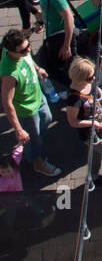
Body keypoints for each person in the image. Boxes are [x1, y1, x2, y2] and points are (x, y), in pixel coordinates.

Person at [0, 28, 60, 178]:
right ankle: (37, 162)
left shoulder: (22, 52)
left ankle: (30, 147)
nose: (28, 51)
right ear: (11, 51)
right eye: (23, 50)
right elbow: (7, 104)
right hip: (27, 111)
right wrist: (18, 130)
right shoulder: (9, 74)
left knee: (47, 119)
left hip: (38, 97)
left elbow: (27, 57)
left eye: (28, 46)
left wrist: (38, 68)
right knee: (35, 137)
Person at [65, 56, 102, 186]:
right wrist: (94, 124)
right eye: (90, 78)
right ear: (80, 78)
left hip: (101, 126)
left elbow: (96, 90)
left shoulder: (87, 82)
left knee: (96, 153)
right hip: (91, 134)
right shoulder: (73, 99)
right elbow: (73, 122)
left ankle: (93, 177)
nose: (93, 79)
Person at [25, 0, 75, 82]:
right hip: (53, 34)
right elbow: (48, 9)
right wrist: (41, 22)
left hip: (60, 37)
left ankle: (70, 91)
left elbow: (69, 17)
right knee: (50, 64)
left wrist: (66, 45)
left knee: (63, 70)